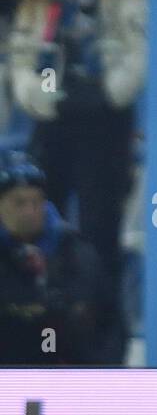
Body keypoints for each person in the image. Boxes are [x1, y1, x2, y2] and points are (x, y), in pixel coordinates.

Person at [9, 0, 145, 365]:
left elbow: (141, 46)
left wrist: (114, 88)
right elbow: (22, 49)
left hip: (105, 118)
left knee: (99, 231)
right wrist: (33, 92)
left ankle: (104, 344)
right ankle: (33, 336)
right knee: (33, 222)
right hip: (53, 115)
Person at [0, 151, 104, 365]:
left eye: (36, 202)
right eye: (19, 203)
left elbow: (106, 323)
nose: (29, 211)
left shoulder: (74, 252)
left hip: (64, 377)